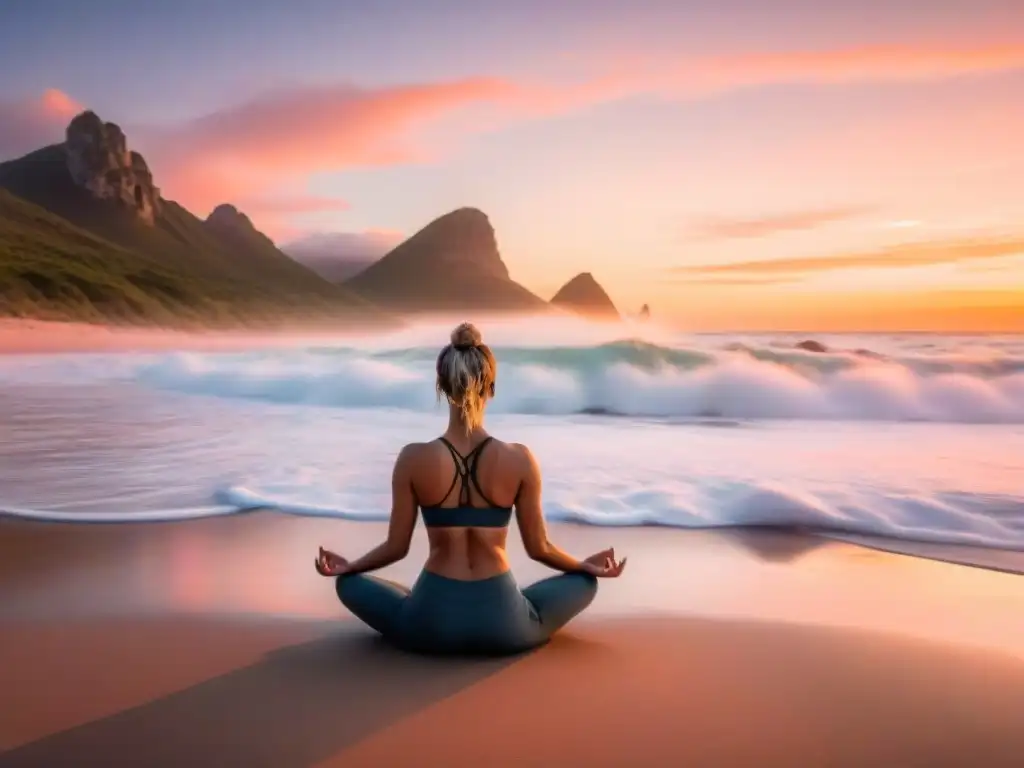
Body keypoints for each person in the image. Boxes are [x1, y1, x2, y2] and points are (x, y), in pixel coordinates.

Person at [315, 322, 626, 655]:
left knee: (348, 584)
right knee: (584, 583)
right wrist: (582, 566)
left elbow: (396, 548)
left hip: (430, 625)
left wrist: (351, 567)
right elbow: (540, 548)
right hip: (505, 626)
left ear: (441, 385)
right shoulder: (520, 459)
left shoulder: (412, 458)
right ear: (490, 387)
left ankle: (411, 602)